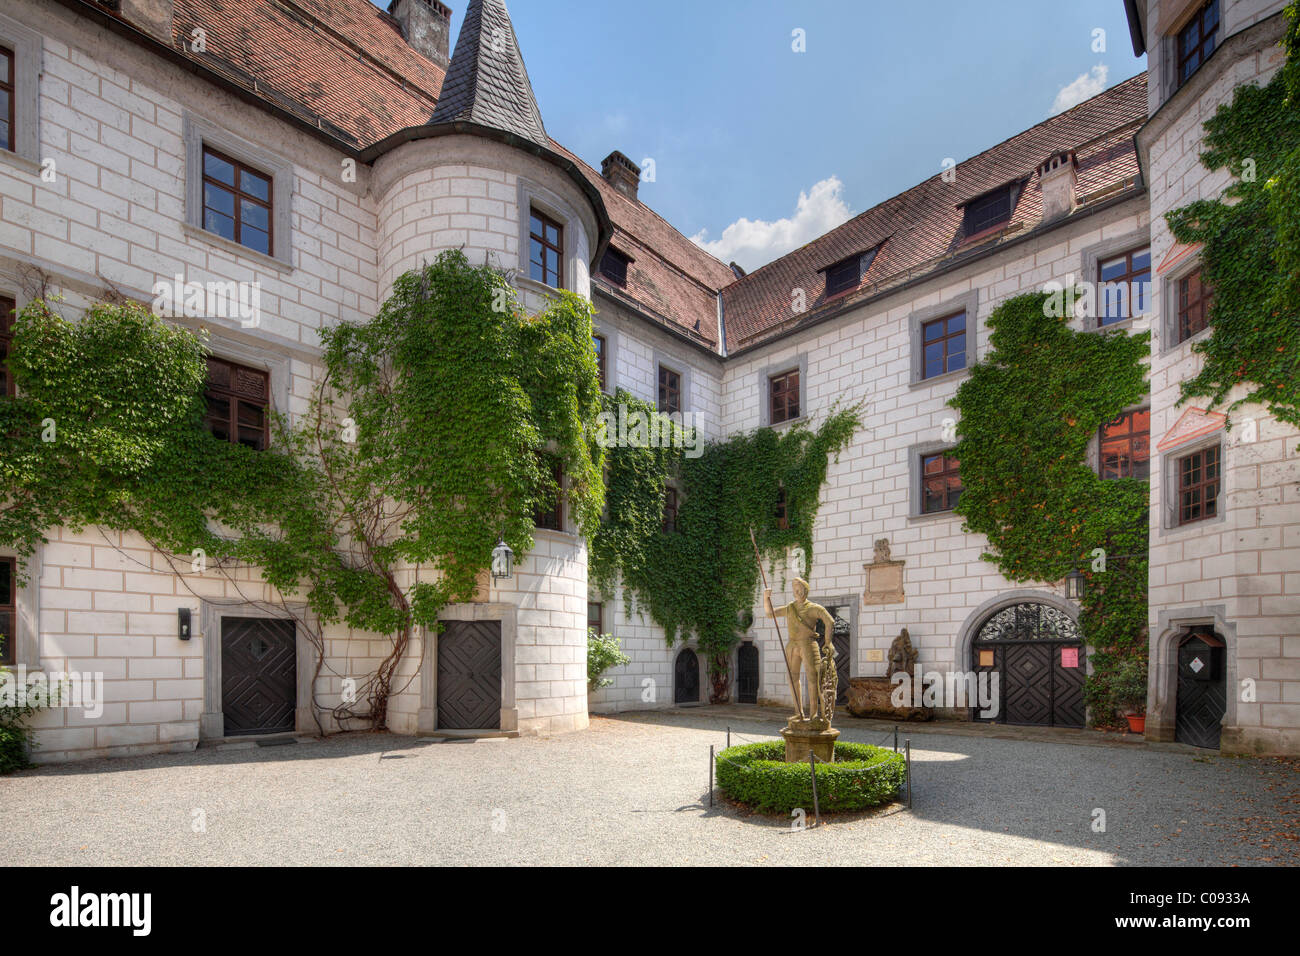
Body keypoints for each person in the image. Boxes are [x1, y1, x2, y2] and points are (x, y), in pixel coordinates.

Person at [764, 577, 835, 722]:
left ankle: (814, 714)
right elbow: (770, 613)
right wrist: (766, 598)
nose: (796, 591)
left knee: (812, 678)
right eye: (794, 588)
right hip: (792, 645)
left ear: (805, 590)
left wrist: (828, 642)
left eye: (799, 588)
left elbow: (830, 621)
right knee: (793, 678)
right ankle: (799, 712)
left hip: (808, 644)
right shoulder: (790, 608)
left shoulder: (814, 608)